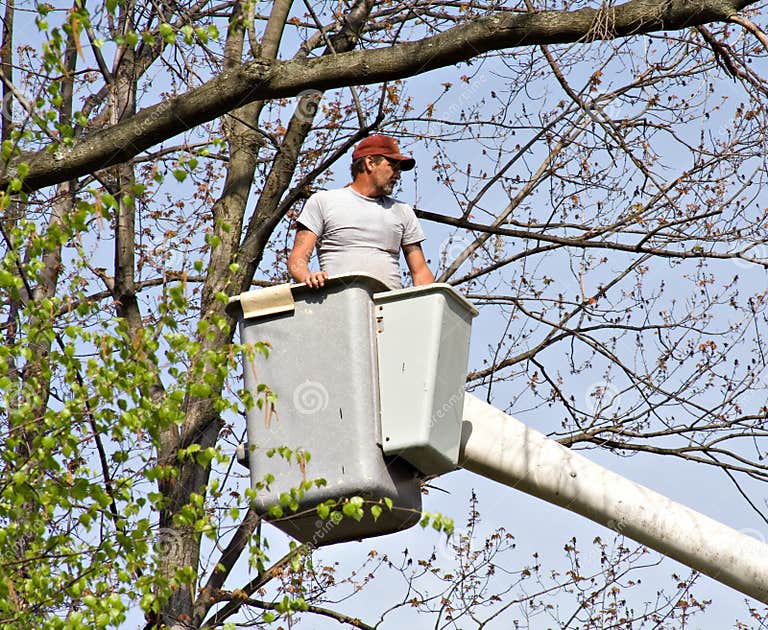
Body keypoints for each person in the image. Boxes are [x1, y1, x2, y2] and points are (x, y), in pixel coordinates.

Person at [288, 135, 435, 290]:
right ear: (370, 163)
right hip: (340, 303)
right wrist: (308, 278)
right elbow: (297, 260)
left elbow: (420, 272)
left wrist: (433, 303)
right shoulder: (323, 201)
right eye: (393, 167)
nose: (398, 175)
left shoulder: (402, 211)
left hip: (390, 308)